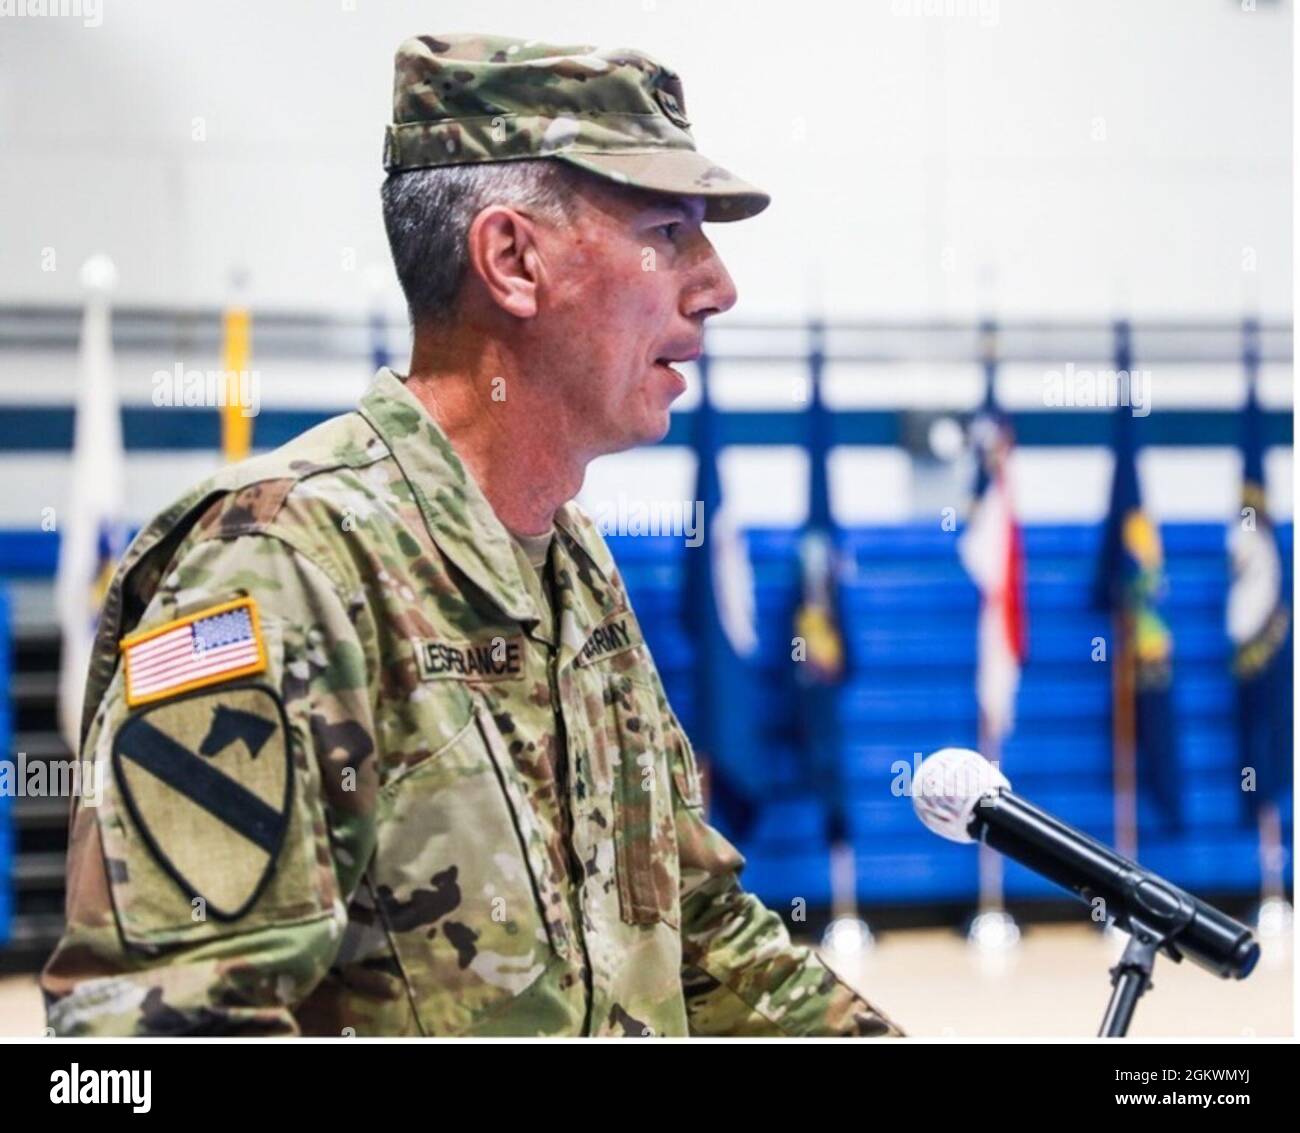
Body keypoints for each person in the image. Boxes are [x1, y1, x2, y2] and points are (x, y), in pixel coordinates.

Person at [40, 33, 903, 1038]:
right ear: (511, 261)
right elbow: (155, 1028)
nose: (715, 285)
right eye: (669, 231)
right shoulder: (279, 565)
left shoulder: (568, 564)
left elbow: (695, 935)